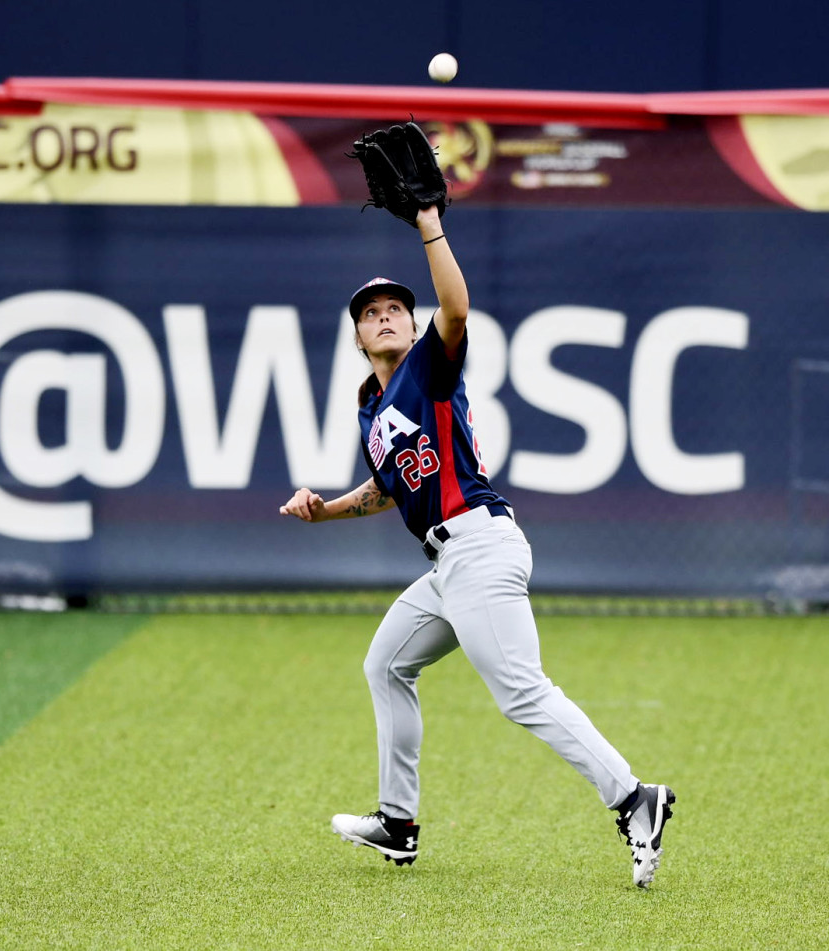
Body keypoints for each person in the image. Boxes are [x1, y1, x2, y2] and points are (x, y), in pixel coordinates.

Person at [279, 204, 675, 888]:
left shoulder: (427, 368)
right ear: (355, 334)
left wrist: (428, 221)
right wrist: (326, 511)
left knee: (522, 691)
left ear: (412, 324)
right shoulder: (371, 408)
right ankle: (398, 824)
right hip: (446, 565)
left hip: (480, 547)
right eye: (371, 311)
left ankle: (636, 797)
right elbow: (385, 489)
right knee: (386, 665)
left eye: (396, 308)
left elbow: (456, 309)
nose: (385, 315)